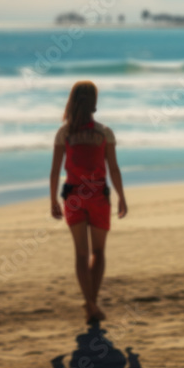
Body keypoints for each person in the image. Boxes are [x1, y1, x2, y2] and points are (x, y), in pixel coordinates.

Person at [50, 81, 128, 324]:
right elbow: (113, 168)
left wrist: (53, 200)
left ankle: (91, 304)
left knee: (81, 254)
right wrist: (122, 196)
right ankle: (91, 304)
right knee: (99, 252)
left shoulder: (64, 133)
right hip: (99, 197)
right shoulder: (105, 133)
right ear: (94, 101)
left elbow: (55, 171)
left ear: (72, 101)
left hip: (73, 197)